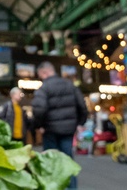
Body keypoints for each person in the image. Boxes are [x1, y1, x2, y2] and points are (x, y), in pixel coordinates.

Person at [32, 61, 88, 189]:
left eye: (40, 75)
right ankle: (72, 188)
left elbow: (38, 109)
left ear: (44, 72)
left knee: (51, 162)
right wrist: (80, 123)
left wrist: (39, 125)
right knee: (67, 161)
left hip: (50, 131)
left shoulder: (44, 88)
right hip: (68, 130)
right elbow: (82, 106)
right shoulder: (70, 85)